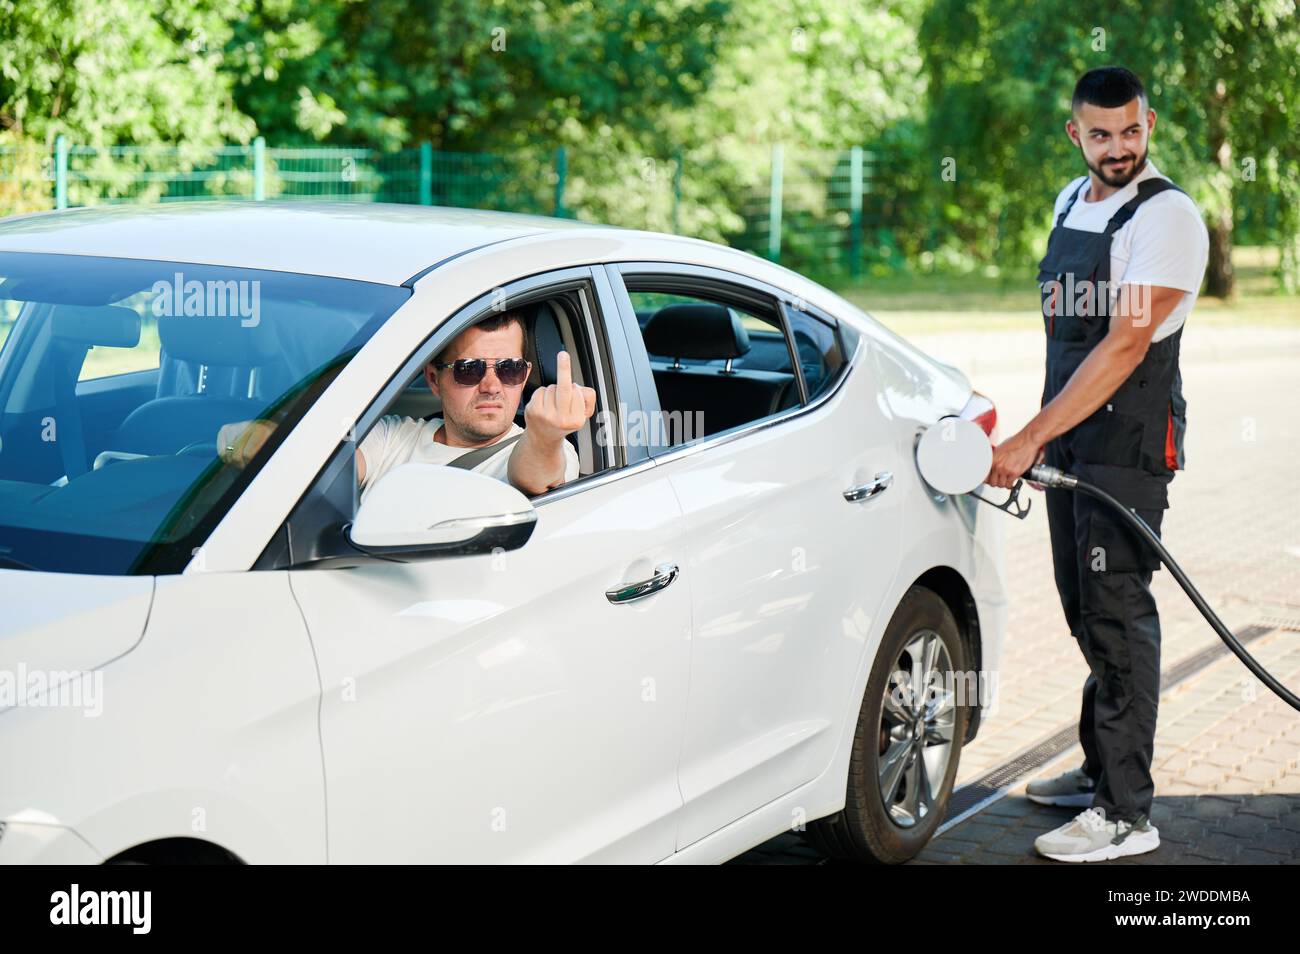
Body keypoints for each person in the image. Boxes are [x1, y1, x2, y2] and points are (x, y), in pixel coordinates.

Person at [984, 66, 1208, 862]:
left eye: (1132, 131)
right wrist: (1045, 431)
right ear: (1074, 134)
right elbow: (1065, 340)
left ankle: (1124, 814)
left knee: (1118, 615)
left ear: (1150, 123)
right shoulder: (1070, 203)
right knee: (1084, 606)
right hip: (1071, 435)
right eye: (1102, 134)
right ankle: (1096, 771)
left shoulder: (1168, 217)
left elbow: (1121, 345)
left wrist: (1026, 438)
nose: (1119, 149)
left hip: (1127, 445)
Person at [218, 311, 596, 498]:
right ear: (434, 378)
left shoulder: (550, 450)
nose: (492, 385)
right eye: (469, 369)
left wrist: (546, 435)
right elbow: (329, 465)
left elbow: (533, 475)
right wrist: (258, 438)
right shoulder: (390, 435)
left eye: (510, 369)